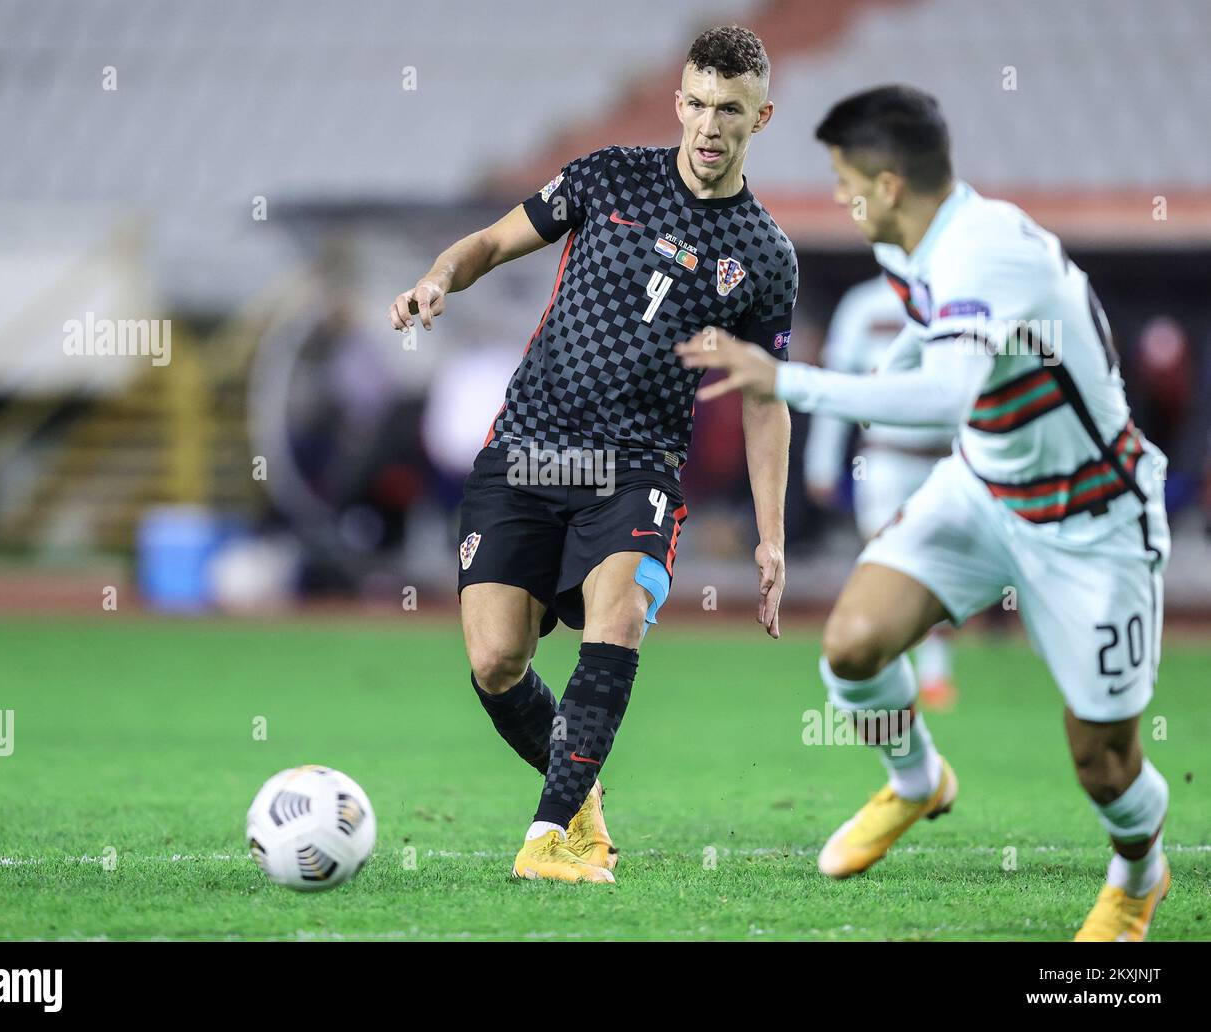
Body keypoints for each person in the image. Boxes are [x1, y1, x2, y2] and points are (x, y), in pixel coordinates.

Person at [677, 85, 1171, 940]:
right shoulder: (921, 243)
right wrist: (876, 380)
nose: (840, 197)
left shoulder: (983, 255)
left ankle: (1139, 873)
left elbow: (947, 394)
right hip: (984, 487)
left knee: (1104, 761)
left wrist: (784, 378)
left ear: (891, 183)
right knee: (854, 648)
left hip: (1091, 519)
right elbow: (927, 340)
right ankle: (916, 782)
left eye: (846, 180)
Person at [388, 26, 798, 884]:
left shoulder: (765, 256)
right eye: (698, 104)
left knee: (616, 625)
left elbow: (763, 400)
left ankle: (548, 841)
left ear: (763, 116)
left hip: (636, 466)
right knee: (498, 662)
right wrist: (437, 279)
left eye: (733, 109)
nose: (710, 125)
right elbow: (492, 244)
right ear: (679, 102)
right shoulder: (606, 175)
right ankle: (581, 796)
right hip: (530, 450)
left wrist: (770, 535)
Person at [804, 275, 958, 709]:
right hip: (884, 457)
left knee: (938, 561)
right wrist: (822, 459)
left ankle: (935, 671)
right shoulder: (862, 302)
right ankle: (894, 665)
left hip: (944, 456)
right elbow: (838, 382)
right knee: (885, 557)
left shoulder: (955, 290)